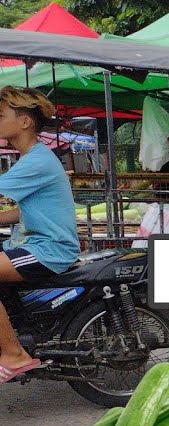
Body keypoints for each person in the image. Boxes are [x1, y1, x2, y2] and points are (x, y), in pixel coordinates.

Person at [0, 87, 78, 381]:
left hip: (48, 249)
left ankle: (14, 354)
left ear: (24, 122)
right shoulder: (33, 158)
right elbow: (19, 211)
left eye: (0, 115)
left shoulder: (37, 161)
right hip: (31, 243)